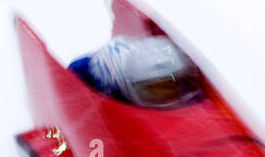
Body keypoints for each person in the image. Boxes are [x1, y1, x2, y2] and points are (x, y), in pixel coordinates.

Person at [69, 32, 204, 109]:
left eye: (171, 84)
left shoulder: (193, 102)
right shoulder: (115, 106)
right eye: (153, 89)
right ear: (127, 91)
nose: (166, 92)